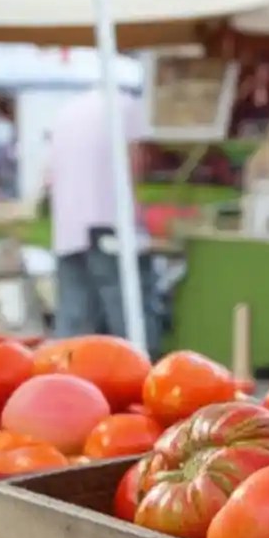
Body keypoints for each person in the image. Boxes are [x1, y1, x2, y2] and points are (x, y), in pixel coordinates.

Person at [47, 88, 162, 354]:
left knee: (74, 318)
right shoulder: (128, 107)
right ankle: (137, 378)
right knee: (128, 317)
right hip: (110, 222)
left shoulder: (66, 110)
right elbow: (136, 161)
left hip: (67, 226)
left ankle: (61, 380)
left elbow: (50, 174)